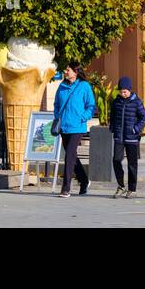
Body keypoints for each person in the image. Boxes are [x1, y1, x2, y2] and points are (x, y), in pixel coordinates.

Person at [52, 63, 96, 198]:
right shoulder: (62, 86)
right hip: (64, 127)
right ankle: (84, 180)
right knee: (72, 157)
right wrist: (57, 116)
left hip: (77, 127)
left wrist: (83, 117)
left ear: (76, 72)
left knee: (69, 155)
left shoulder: (84, 86)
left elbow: (91, 106)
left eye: (68, 69)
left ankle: (66, 188)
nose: (66, 71)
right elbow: (56, 104)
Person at [109, 76, 145, 197]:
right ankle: (121, 186)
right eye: (120, 91)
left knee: (132, 163)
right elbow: (113, 116)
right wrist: (113, 128)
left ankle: (132, 189)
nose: (122, 93)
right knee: (116, 160)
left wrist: (135, 129)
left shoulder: (137, 102)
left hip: (132, 137)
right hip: (119, 137)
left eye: (125, 91)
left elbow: (144, 117)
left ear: (130, 90)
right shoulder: (116, 102)